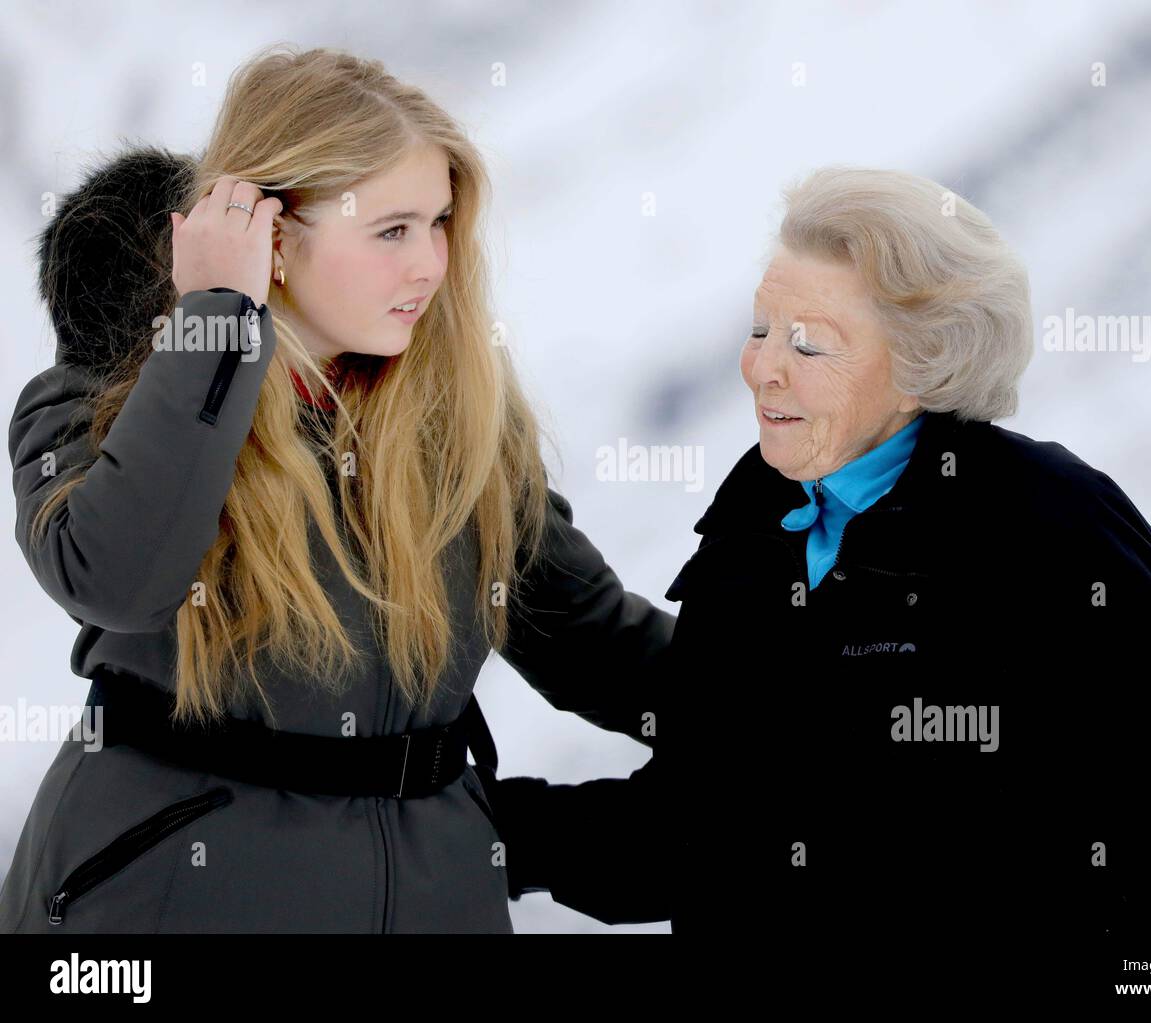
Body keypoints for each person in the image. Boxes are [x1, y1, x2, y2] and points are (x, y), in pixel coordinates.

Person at [488, 166, 1151, 937]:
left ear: (919, 366)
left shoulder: (1048, 519)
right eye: (761, 329)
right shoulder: (756, 527)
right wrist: (477, 827)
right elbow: (703, 827)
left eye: (809, 346)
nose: (762, 368)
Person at [0, 44, 671, 934]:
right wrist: (216, 326)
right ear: (270, 237)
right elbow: (121, 576)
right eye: (392, 230)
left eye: (439, 223)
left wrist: (819, 709)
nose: (429, 264)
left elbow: (596, 643)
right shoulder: (103, 399)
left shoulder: (459, 422)